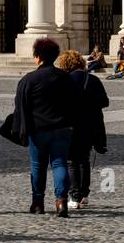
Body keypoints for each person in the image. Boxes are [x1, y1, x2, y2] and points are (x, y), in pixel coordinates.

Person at [14, 38, 76, 216]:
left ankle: (38, 202)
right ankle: (61, 201)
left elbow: (21, 107)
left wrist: (21, 130)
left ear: (37, 57)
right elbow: (74, 103)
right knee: (59, 164)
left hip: (37, 129)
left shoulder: (29, 79)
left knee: (37, 166)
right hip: (62, 128)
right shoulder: (65, 78)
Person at [57, 50, 109, 209]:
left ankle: (74, 196)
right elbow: (104, 102)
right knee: (84, 160)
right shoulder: (92, 80)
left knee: (72, 161)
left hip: (71, 125)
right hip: (90, 125)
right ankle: (84, 195)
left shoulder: (64, 81)